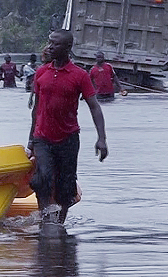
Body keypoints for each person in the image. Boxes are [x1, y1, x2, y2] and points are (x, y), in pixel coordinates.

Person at [28, 29, 108, 224]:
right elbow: (36, 108)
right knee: (42, 178)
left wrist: (102, 138)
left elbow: (94, 107)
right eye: (49, 42)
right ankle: (45, 220)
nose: (49, 47)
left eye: (55, 44)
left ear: (67, 48)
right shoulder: (41, 72)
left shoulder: (79, 75)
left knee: (66, 185)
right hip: (42, 137)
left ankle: (60, 223)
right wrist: (31, 140)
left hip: (68, 138)